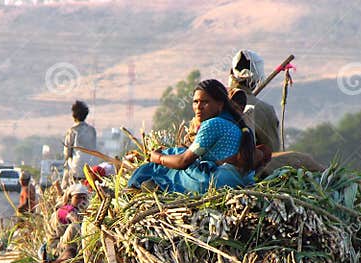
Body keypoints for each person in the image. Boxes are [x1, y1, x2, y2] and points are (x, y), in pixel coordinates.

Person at [128, 78, 256, 194]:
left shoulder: (214, 124)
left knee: (160, 166)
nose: (198, 107)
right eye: (195, 102)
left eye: (205, 102)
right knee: (176, 152)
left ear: (220, 104)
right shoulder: (234, 122)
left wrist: (158, 158)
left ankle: (155, 184)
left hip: (218, 182)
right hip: (238, 179)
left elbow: (183, 162)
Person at [228, 49, 281, 153]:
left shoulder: (215, 100)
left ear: (231, 73)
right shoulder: (265, 109)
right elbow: (273, 150)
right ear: (257, 79)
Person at [63, 100, 97, 186]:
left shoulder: (72, 130)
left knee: (67, 164)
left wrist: (67, 160)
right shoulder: (92, 130)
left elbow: (67, 152)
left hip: (77, 169)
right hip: (92, 168)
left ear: (74, 115)